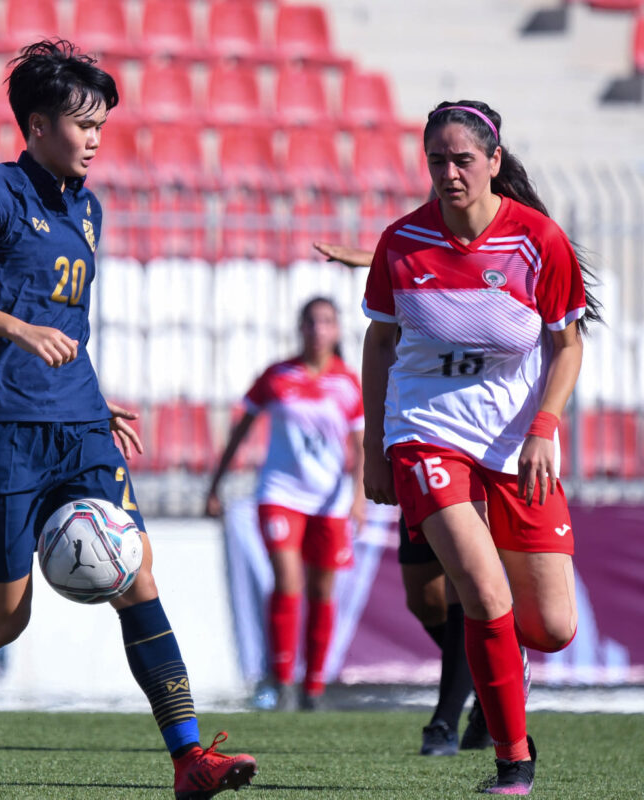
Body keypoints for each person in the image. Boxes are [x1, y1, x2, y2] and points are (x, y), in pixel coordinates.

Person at [0, 39, 257, 798]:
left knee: (138, 574)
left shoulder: (88, 209)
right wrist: (18, 332)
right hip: (2, 434)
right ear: (36, 125)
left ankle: (190, 758)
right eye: (83, 124)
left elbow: (68, 326)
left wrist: (92, 399)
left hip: (80, 424)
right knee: (4, 620)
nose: (95, 138)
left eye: (101, 126)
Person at [362, 100, 598, 794]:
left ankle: (505, 672)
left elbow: (567, 346)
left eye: (463, 160)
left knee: (550, 628)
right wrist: (375, 446)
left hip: (515, 444)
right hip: (426, 435)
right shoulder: (402, 242)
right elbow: (380, 341)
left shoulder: (538, 240)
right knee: (483, 593)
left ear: (494, 161)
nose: (449, 174)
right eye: (437, 161)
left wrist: (544, 427)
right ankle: (512, 760)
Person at [313, 239, 492, 755]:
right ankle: (496, 673)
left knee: (462, 587)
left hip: (469, 441)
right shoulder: (412, 255)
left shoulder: (502, 257)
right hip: (414, 438)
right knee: (423, 597)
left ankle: (444, 722)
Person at [205, 297, 365, 712]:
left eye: (326, 321)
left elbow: (361, 446)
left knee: (322, 590)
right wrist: (216, 484)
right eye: (310, 321)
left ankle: (314, 687)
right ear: (300, 327)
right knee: (288, 581)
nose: (318, 329)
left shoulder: (348, 382)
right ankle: (281, 683)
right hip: (281, 494)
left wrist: (359, 497)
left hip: (330, 500)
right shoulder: (277, 376)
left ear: (337, 330)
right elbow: (241, 429)